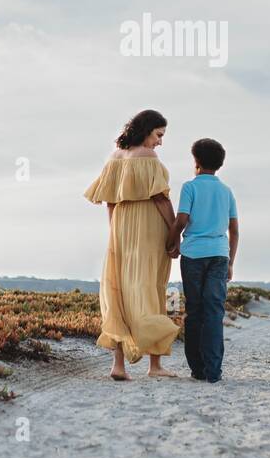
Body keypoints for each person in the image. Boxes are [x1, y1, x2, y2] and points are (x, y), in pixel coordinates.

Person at [83, 109, 180, 380]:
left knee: (120, 291)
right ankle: (155, 366)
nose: (160, 142)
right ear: (147, 130)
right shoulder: (147, 157)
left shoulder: (114, 158)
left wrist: (114, 230)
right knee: (150, 288)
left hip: (120, 229)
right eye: (158, 135)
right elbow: (161, 199)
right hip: (148, 229)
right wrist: (174, 232)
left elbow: (110, 201)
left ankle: (118, 366)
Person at [166, 138, 238, 383]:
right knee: (214, 312)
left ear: (195, 161)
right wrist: (230, 262)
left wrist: (173, 241)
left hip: (193, 255)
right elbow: (234, 230)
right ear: (219, 164)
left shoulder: (190, 187)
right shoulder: (226, 191)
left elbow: (181, 220)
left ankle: (197, 369)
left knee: (195, 311)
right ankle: (213, 371)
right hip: (219, 254)